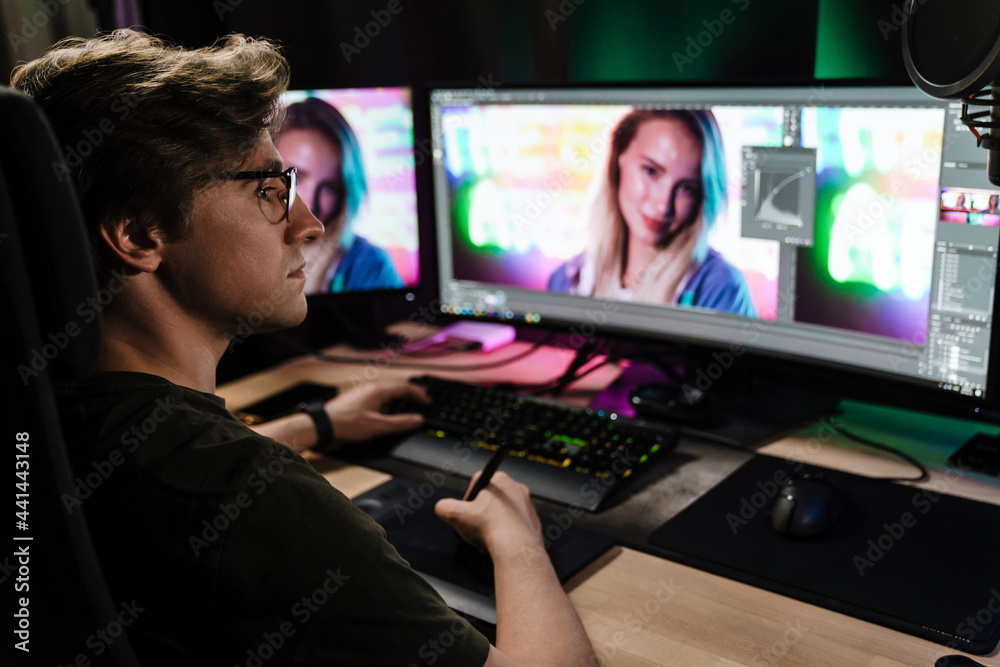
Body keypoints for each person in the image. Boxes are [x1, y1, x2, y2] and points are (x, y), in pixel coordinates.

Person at [13, 30, 595, 667]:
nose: (309, 224)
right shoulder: (260, 502)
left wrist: (316, 423)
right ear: (139, 233)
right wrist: (517, 541)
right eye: (268, 190)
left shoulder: (57, 415)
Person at [548, 108, 756, 317]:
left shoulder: (722, 291)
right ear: (620, 157)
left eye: (686, 188)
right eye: (651, 171)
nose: (663, 205)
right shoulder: (566, 281)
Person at [277, 96, 404, 294]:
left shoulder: (369, 266)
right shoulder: (235, 255)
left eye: (330, 187)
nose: (311, 204)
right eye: (296, 177)